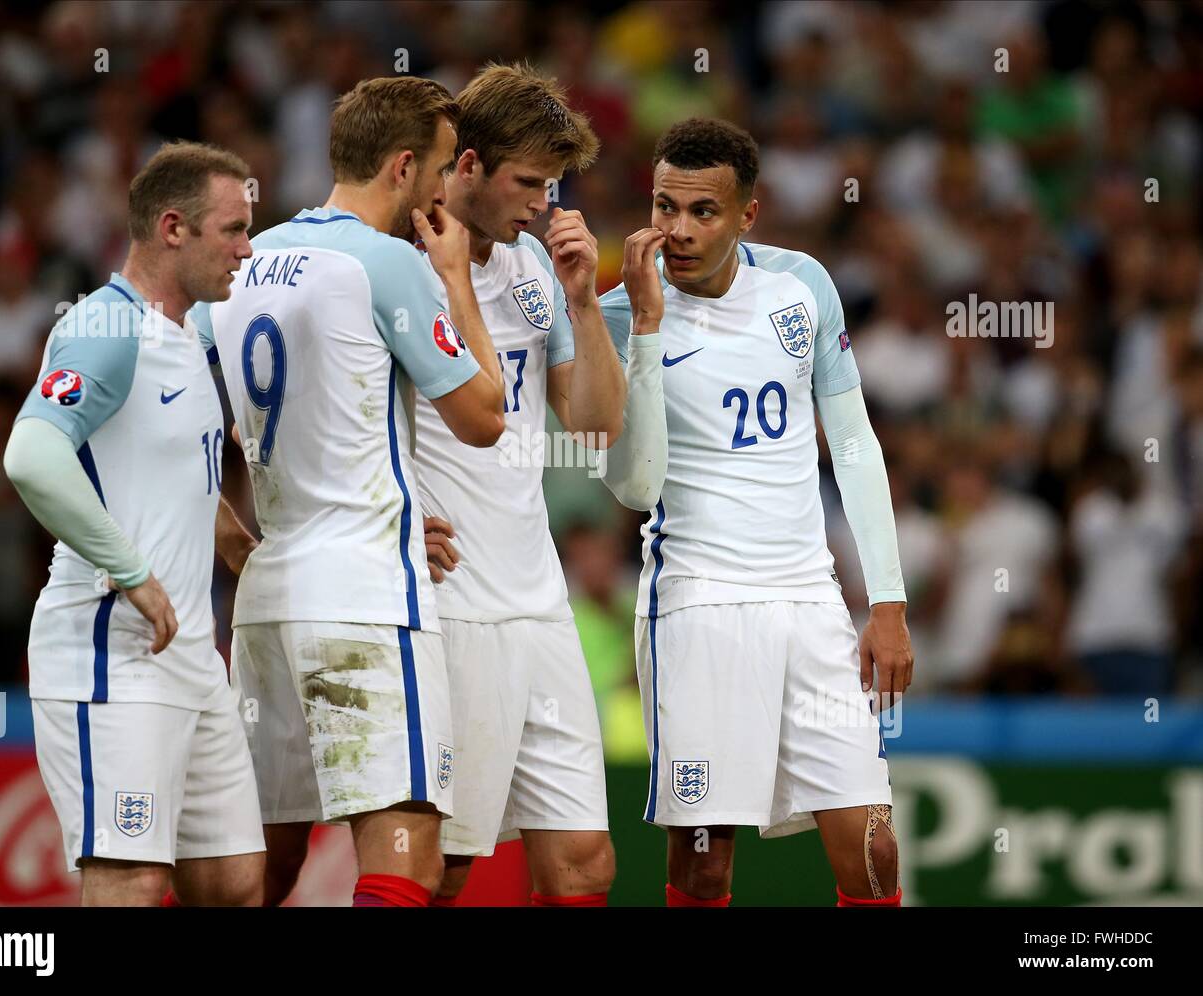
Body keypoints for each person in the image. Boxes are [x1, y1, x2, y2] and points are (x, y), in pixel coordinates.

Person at [190, 76, 506, 908]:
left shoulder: (242, 262)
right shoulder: (388, 263)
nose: (447, 191)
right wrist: (454, 280)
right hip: (364, 597)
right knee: (407, 854)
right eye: (441, 169)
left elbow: (171, 431)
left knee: (261, 866)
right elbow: (483, 416)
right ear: (404, 167)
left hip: (266, 602)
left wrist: (233, 542)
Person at [598, 118, 913, 907]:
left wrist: (888, 602)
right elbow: (633, 487)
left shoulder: (801, 286)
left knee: (874, 850)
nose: (678, 229)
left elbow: (853, 439)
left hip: (808, 600)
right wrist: (642, 328)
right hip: (698, 601)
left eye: (704, 212)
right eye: (665, 207)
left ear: (748, 215)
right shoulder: (616, 311)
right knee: (703, 865)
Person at [3, 142, 265, 907]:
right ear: (173, 228)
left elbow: (152, 460)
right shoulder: (105, 327)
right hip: (109, 650)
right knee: (133, 883)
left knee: (234, 884)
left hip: (189, 657)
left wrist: (224, 530)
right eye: (234, 229)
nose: (247, 249)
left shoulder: (186, 331)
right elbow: (32, 457)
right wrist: (133, 571)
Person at [413, 64, 622, 907]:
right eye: (526, 181)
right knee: (445, 870)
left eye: (552, 183)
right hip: (453, 601)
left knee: (584, 867)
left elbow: (597, 428)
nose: (542, 201)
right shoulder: (402, 268)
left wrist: (583, 304)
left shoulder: (537, 263)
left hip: (539, 601)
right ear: (465, 167)